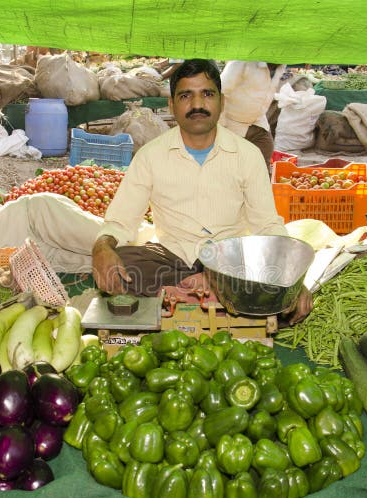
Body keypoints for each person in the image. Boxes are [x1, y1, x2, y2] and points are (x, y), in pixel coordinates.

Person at [91, 58, 312, 324]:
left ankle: (190, 292)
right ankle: (207, 293)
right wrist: (102, 247)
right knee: (122, 266)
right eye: (186, 96)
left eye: (207, 94)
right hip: (172, 259)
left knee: (271, 281)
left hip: (230, 262)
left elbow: (266, 224)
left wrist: (291, 278)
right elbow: (120, 221)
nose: (197, 105)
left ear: (222, 103)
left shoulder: (247, 155)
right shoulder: (150, 156)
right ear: (172, 105)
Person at [219, 61, 286, 169]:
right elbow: (219, 91)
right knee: (230, 166)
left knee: (265, 152)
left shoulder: (281, 65)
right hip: (231, 123)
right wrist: (220, 125)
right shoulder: (241, 63)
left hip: (258, 121)